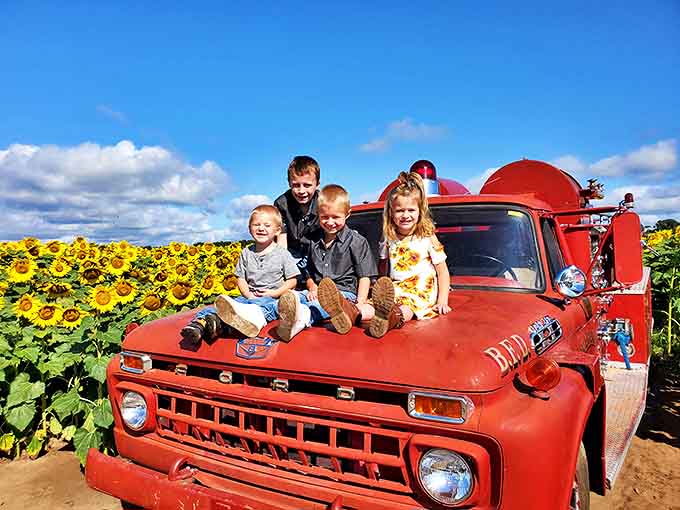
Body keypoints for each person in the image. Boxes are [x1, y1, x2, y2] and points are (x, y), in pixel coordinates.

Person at [180, 205, 300, 344]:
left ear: (277, 230)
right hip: (247, 296)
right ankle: (198, 325)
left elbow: (292, 281)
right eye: (256, 225)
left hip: (271, 299)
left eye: (267, 225)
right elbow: (241, 278)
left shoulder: (282, 254)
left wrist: (274, 293)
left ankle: (219, 325)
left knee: (265, 310)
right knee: (222, 305)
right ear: (250, 229)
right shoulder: (246, 252)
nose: (261, 228)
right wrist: (248, 294)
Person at [276, 184, 377, 342]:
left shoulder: (357, 242)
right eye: (325, 217)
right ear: (318, 215)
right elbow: (307, 270)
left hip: (344, 294)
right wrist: (312, 286)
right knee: (289, 297)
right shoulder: (312, 239)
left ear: (347, 214)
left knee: (326, 305)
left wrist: (359, 304)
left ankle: (299, 318)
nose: (330, 222)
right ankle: (256, 314)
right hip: (315, 291)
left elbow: (365, 276)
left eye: (336, 217)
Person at [367, 171, 451, 338]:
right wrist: (379, 288)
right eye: (399, 211)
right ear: (391, 213)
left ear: (420, 211)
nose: (405, 215)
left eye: (411, 210)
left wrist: (442, 301)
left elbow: (442, 271)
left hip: (420, 289)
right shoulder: (388, 237)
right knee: (373, 304)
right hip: (396, 287)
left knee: (408, 308)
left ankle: (389, 320)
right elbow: (383, 267)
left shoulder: (426, 236)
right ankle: (353, 313)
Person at [274, 156, 322, 267]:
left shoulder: (324, 202)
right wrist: (284, 267)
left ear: (317, 183)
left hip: (318, 254)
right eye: (296, 185)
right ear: (289, 182)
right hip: (292, 254)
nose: (301, 191)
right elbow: (281, 241)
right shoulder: (281, 204)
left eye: (307, 185)